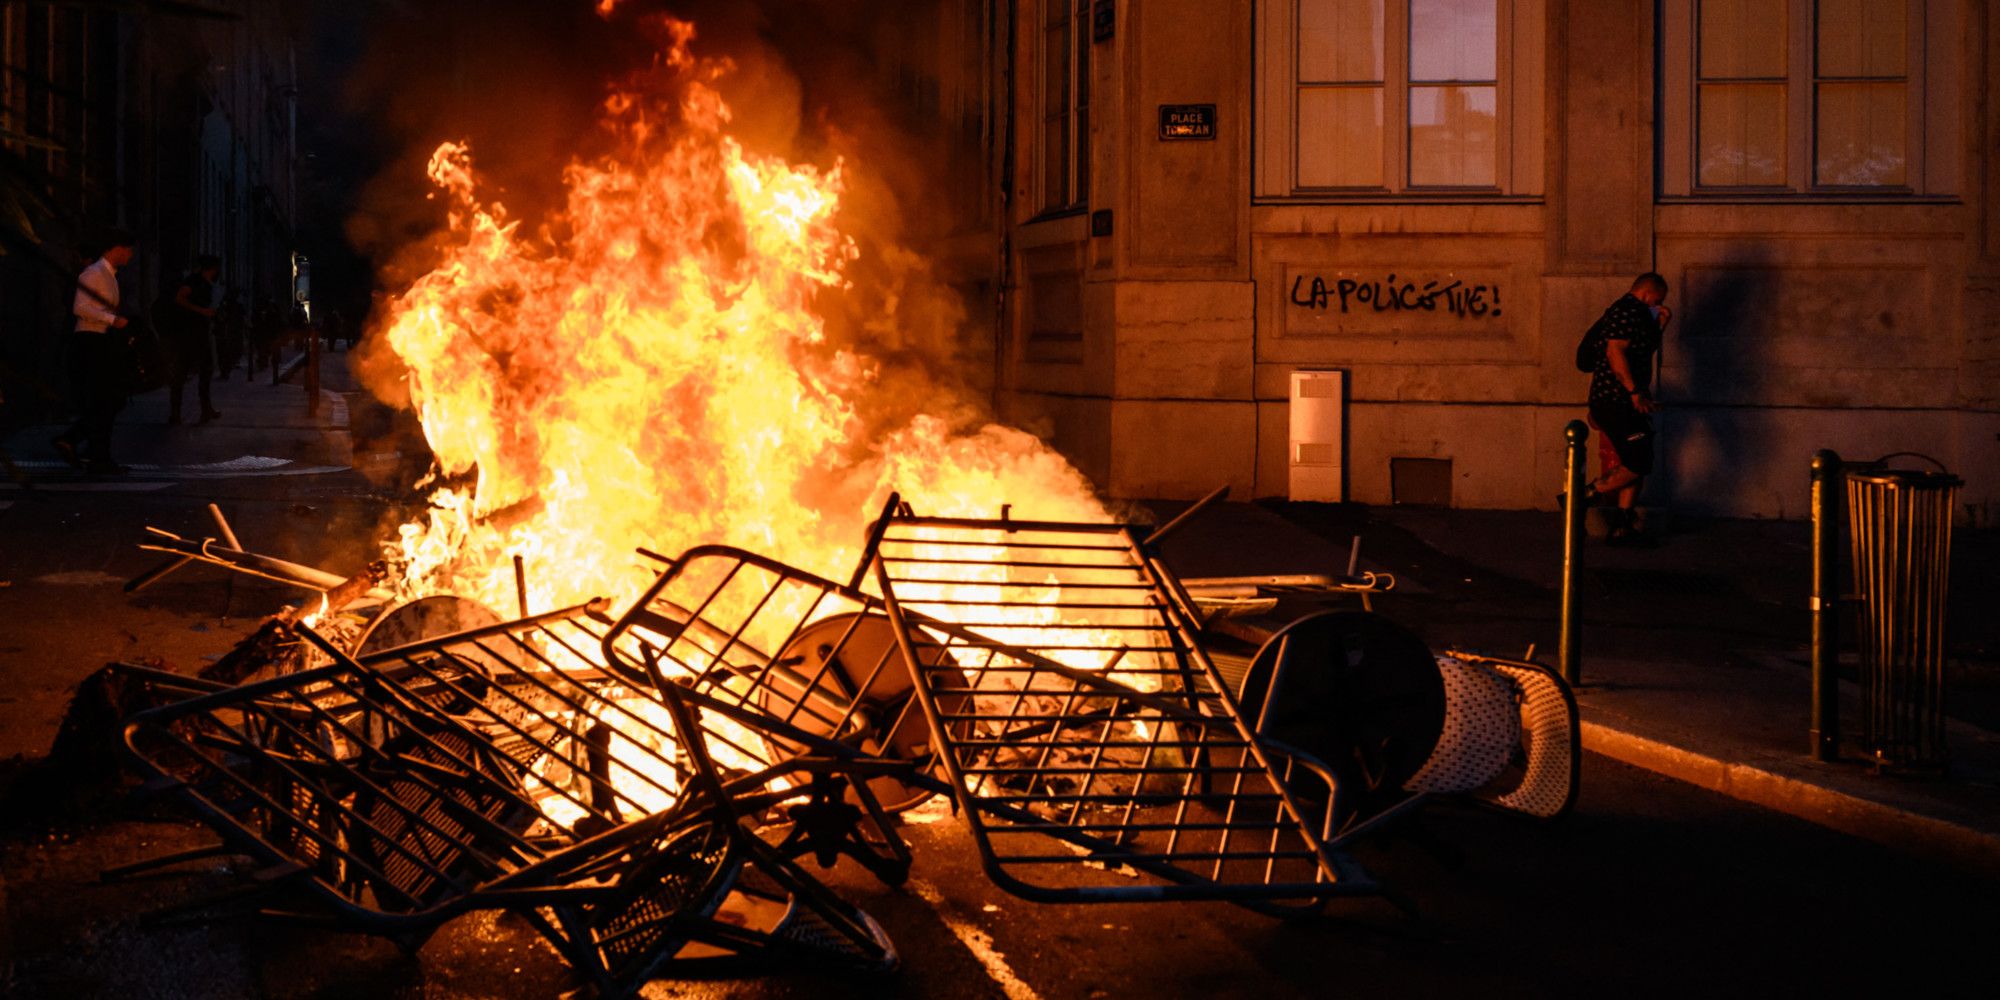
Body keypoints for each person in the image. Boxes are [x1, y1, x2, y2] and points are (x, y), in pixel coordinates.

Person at [1581, 272, 1672, 543]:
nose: (1660, 303)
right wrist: (1632, 392)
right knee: (1639, 460)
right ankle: (1582, 496)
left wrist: (1661, 324)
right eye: (1659, 299)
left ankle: (1622, 524)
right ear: (1648, 292)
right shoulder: (1626, 311)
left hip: (1630, 400)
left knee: (1637, 457)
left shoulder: (1640, 315)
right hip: (1616, 400)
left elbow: (1641, 351)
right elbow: (1615, 352)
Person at [52, 229, 138, 474]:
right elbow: (80, 307)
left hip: (100, 341)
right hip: (90, 342)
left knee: (108, 401)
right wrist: (112, 320)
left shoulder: (108, 274)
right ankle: (83, 446)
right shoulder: (94, 273)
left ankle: (95, 453)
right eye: (129, 250)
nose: (130, 255)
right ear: (117, 248)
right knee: (106, 400)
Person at [158, 254, 223, 425]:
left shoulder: (208, 284)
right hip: (189, 332)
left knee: (204, 370)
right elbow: (180, 299)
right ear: (212, 268)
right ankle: (176, 412)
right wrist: (202, 311)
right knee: (183, 371)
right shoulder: (193, 281)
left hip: (200, 330)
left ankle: (204, 409)